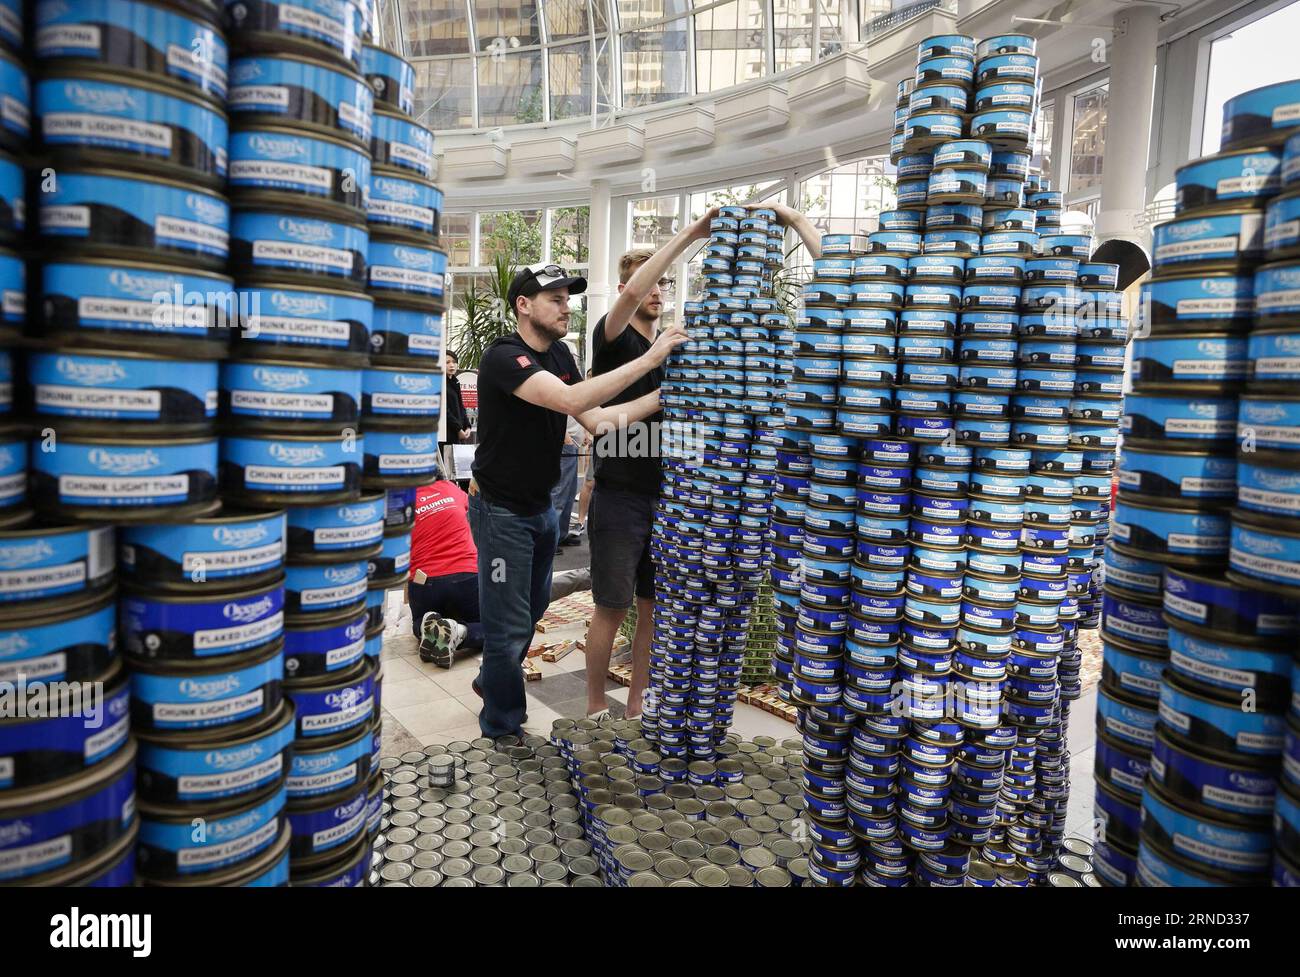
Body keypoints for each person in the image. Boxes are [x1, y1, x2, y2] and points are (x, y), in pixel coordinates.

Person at [580, 202, 824, 722]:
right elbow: (625, 298)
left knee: (653, 606)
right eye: (647, 283)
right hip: (622, 490)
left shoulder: (686, 348)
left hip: (675, 495)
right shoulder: (616, 339)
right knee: (611, 604)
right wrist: (693, 231)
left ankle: (639, 702)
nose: (655, 291)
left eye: (663, 285)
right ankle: (597, 703)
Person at [468, 259, 691, 738]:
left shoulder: (562, 358)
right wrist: (653, 361)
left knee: (528, 615)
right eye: (555, 299)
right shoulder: (504, 357)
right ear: (523, 305)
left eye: (568, 299)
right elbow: (571, 403)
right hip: (500, 511)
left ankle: (491, 680)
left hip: (542, 509)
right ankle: (504, 730)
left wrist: (664, 396)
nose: (566, 307)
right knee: (507, 630)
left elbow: (600, 422)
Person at [411, 474, 594, 667]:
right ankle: (461, 632)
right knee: (497, 626)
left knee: (420, 619)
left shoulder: (401, 501)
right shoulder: (451, 489)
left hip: (425, 580)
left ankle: (426, 625)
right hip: (468, 573)